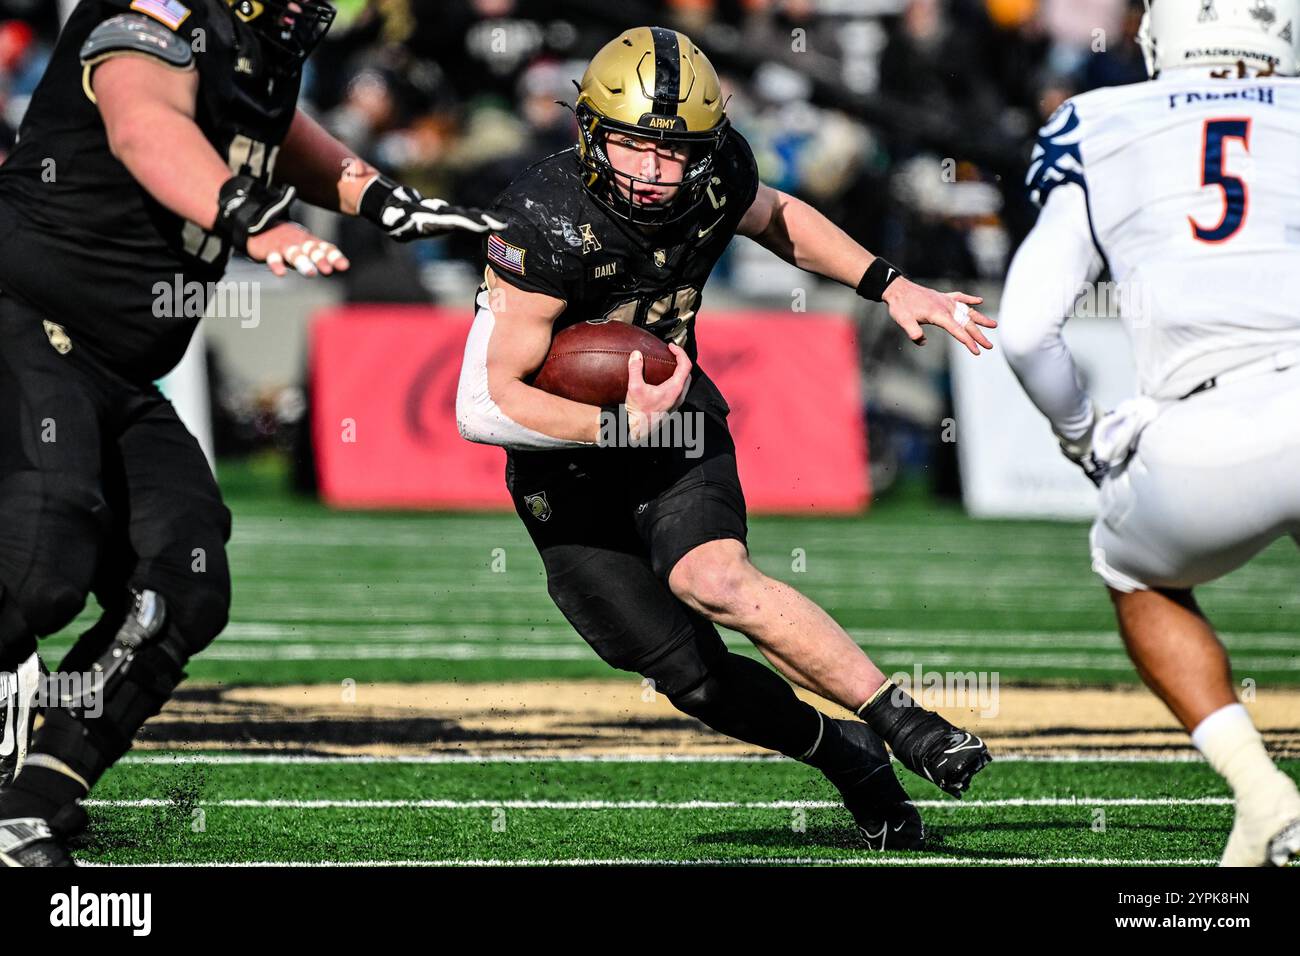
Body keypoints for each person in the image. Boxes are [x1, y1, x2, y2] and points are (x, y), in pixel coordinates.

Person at [457, 25, 997, 849]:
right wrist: (608, 427)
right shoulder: (542, 220)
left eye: (673, 154)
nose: (653, 171)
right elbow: (483, 405)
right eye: (635, 148)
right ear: (592, 134)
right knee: (691, 679)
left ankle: (907, 722)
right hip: (562, 466)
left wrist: (888, 283)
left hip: (673, 420)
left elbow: (778, 216)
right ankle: (848, 757)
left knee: (713, 575)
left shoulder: (717, 176)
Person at [0, 0, 501, 866]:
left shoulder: (254, 50)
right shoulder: (155, 10)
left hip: (119, 367)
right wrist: (250, 219)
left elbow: (272, 136)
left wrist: (383, 201)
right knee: (40, 561)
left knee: (180, 580)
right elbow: (143, 124)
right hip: (25, 321)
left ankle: (32, 800)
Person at [1000, 0, 1300, 866]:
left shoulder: (1099, 120)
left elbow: (1025, 331)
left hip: (1206, 429)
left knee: (1134, 571)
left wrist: (1080, 434)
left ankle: (1258, 788)